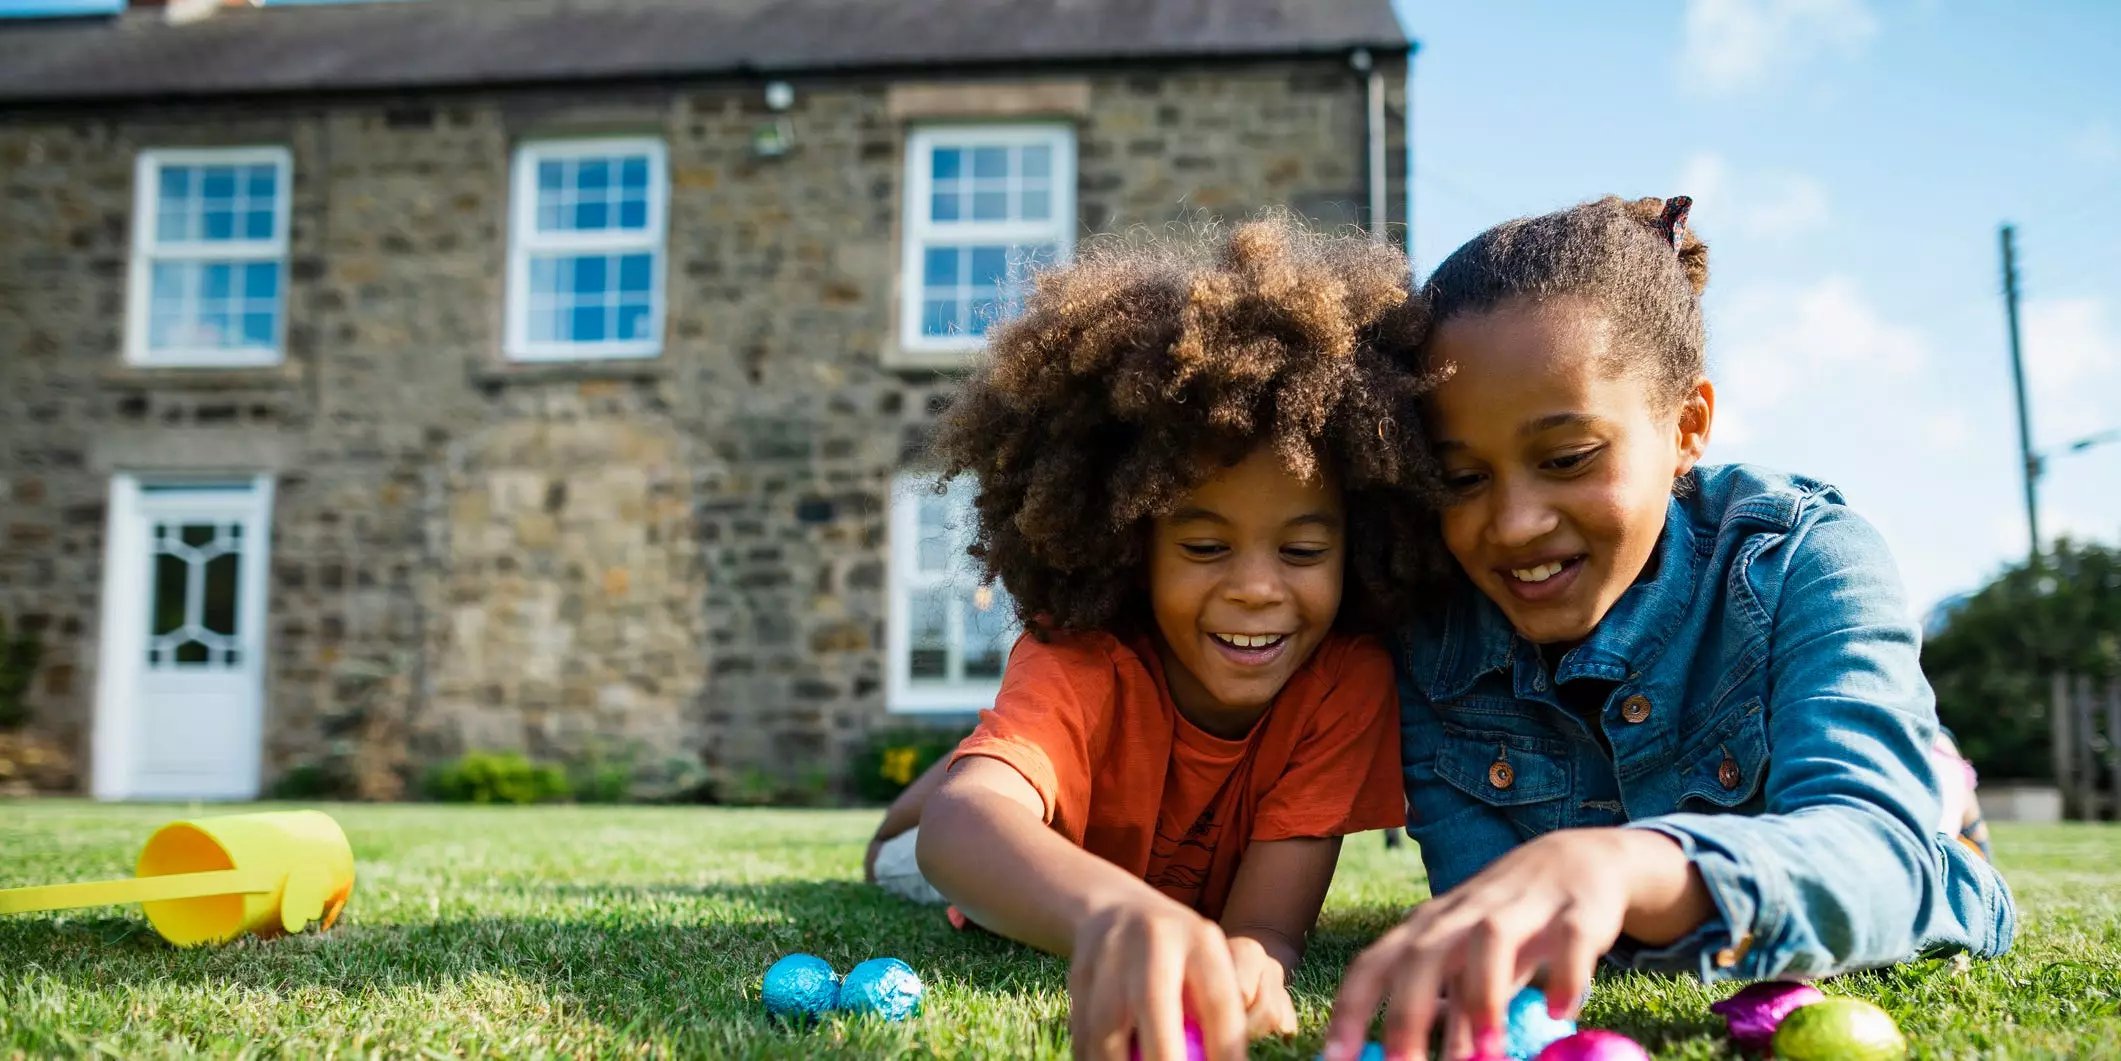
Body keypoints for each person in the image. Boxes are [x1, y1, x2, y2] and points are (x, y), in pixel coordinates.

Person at [1321, 196, 2017, 1061]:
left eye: (1567, 458)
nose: (1512, 523)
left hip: (1854, 809)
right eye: (1462, 477)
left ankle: (1933, 771)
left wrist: (1629, 865)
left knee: (1903, 798)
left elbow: (1891, 865)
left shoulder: (1809, 558)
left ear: (1686, 426)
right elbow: (1491, 918)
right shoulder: (1429, 634)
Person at [876, 215, 1449, 1061]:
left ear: (1361, 544)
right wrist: (1114, 911)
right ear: (1128, 543)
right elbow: (956, 836)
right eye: (1204, 546)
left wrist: (1253, 960)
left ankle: (1004, 744)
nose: (1257, 587)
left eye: (1301, 550)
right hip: (1015, 859)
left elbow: (1265, 928)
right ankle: (994, 749)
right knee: (894, 853)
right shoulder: (1081, 653)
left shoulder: (1343, 683)